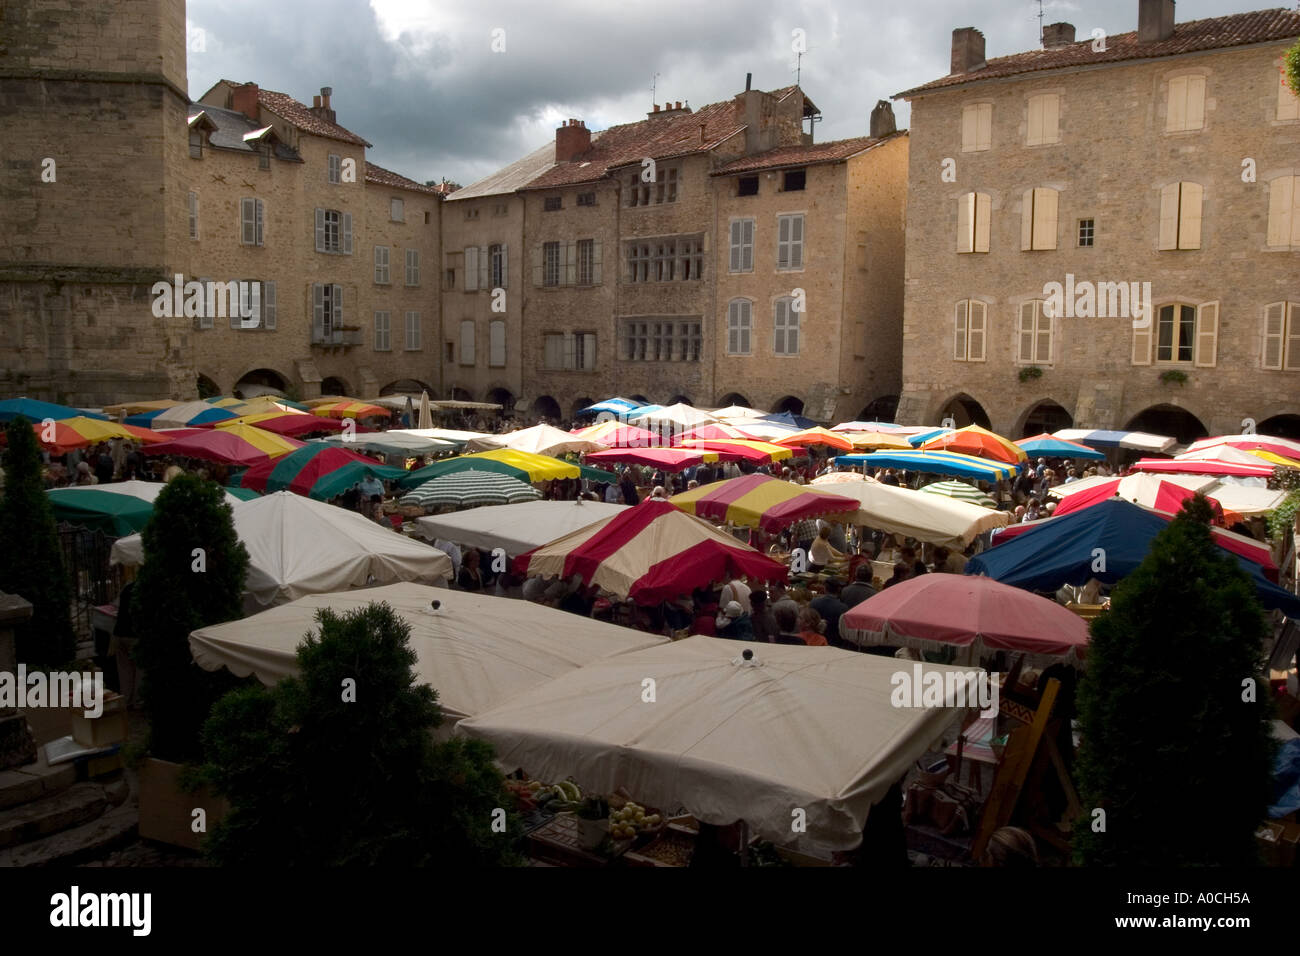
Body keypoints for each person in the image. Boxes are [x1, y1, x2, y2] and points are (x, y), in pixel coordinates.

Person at [809, 578, 849, 646]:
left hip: (815, 642)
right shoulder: (843, 608)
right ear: (838, 590)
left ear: (824, 589)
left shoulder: (813, 603)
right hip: (835, 643)